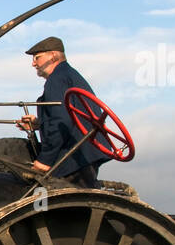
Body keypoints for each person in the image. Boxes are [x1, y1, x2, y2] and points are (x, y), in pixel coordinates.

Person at [14, 36, 110, 188]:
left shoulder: (57, 79)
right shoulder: (68, 75)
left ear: (53, 56)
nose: (33, 64)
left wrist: (45, 159)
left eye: (37, 58)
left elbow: (61, 120)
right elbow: (71, 116)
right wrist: (39, 124)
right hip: (84, 152)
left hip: (73, 156)